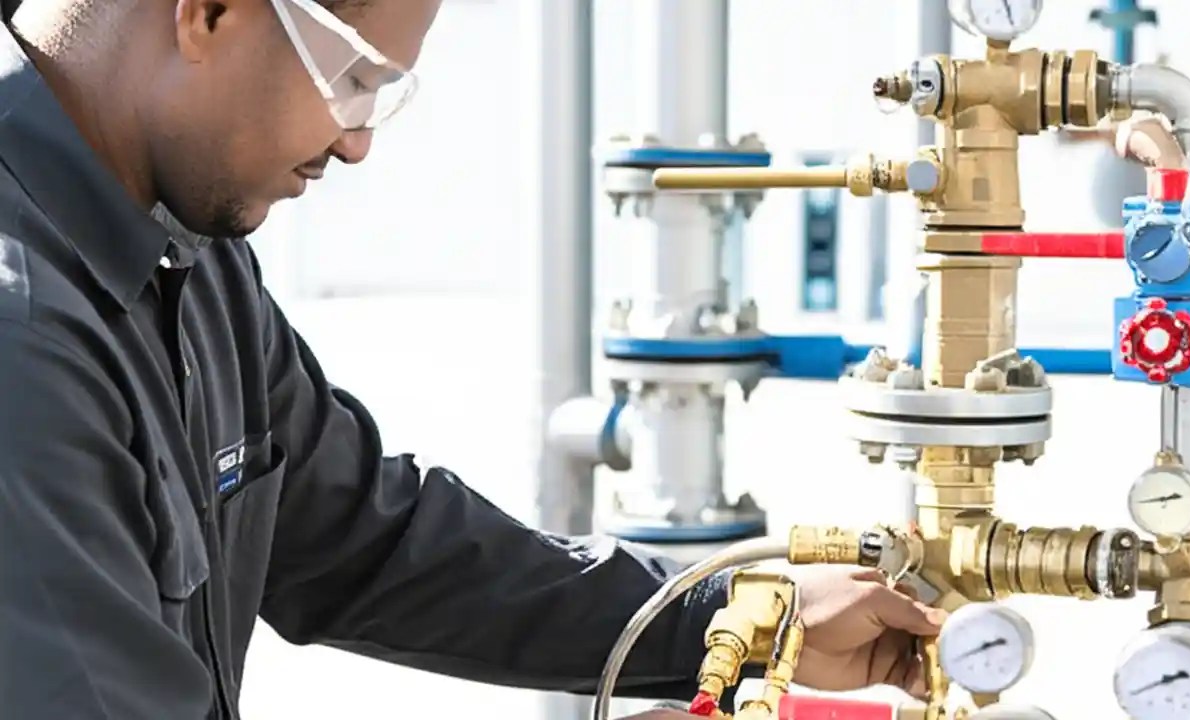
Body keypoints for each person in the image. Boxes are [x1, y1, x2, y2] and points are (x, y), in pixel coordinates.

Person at [0, 0, 948, 717]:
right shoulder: (26, 341)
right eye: (352, 77)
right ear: (208, 12)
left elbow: (369, 543)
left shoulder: (188, 248)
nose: (356, 141)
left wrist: (736, 615)